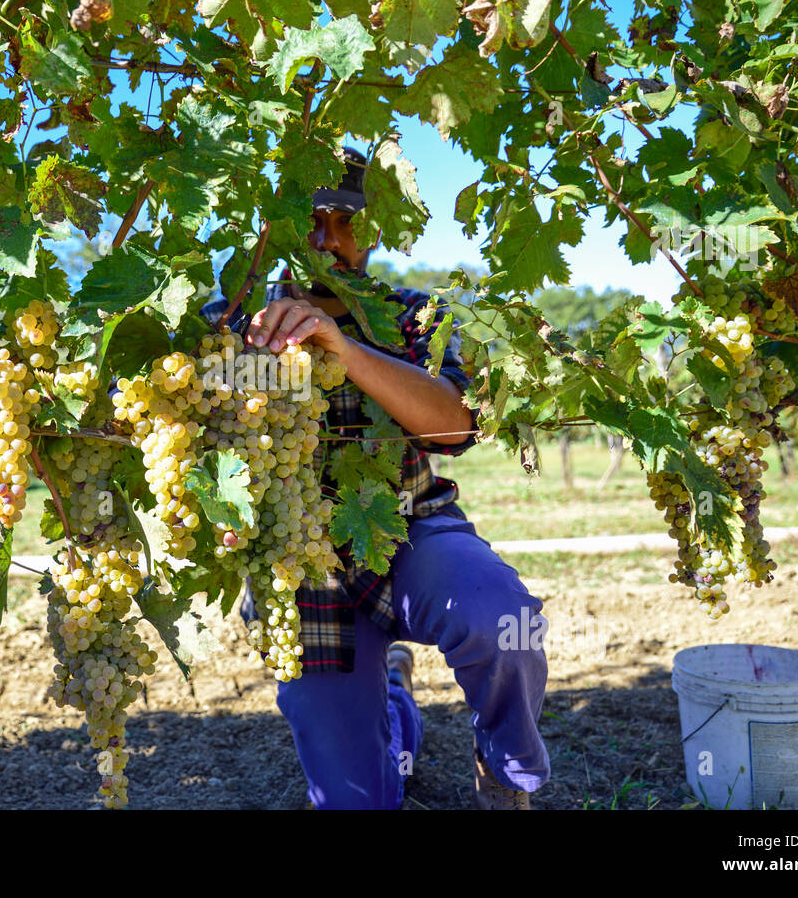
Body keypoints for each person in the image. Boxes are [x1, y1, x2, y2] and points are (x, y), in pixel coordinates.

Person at [202, 147, 550, 809]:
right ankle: (394, 696)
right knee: (356, 797)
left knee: (505, 618)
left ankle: (507, 774)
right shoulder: (230, 326)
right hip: (301, 567)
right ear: (275, 225)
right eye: (311, 221)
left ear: (376, 229)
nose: (328, 241)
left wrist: (345, 347)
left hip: (411, 530)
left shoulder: (411, 315)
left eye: (347, 223)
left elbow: (454, 426)